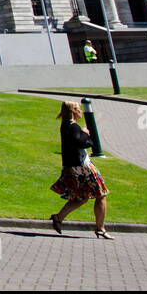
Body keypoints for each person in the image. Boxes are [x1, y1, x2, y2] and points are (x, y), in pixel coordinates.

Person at [50, 101, 111, 239]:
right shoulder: (74, 126)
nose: (81, 111)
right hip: (82, 167)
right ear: (73, 111)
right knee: (101, 194)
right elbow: (81, 141)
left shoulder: (65, 126)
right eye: (78, 109)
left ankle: (58, 218)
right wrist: (85, 133)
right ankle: (100, 228)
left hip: (70, 167)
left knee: (81, 197)